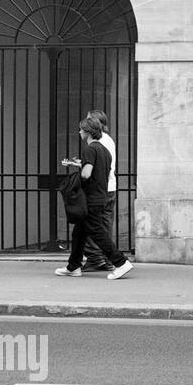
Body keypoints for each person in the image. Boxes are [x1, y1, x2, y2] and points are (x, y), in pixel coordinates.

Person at [55, 116, 134, 280]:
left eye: (81, 129)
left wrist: (78, 175)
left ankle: (121, 262)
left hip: (90, 199)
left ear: (88, 132)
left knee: (98, 233)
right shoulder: (104, 150)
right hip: (100, 196)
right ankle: (73, 267)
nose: (79, 132)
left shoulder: (90, 149)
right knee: (79, 233)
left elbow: (86, 173)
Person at [81, 108, 118, 273]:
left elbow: (98, 168)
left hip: (101, 189)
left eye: (89, 120)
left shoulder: (98, 142)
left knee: (94, 226)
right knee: (103, 225)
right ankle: (105, 259)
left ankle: (99, 258)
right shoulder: (108, 140)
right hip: (109, 188)